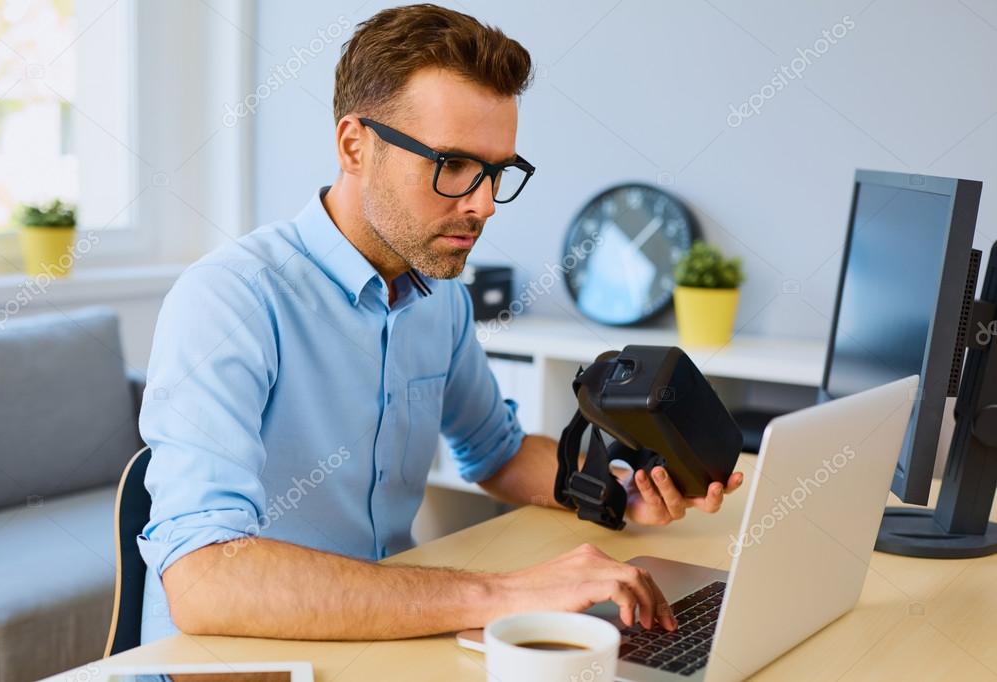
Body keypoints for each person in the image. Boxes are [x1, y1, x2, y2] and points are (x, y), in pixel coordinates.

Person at [138, 3, 744, 644]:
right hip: (242, 652)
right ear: (354, 146)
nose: (483, 204)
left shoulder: (439, 296)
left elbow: (498, 455)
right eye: (452, 165)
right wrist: (503, 594)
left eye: (497, 172)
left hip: (389, 630)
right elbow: (206, 580)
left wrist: (615, 489)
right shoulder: (230, 299)